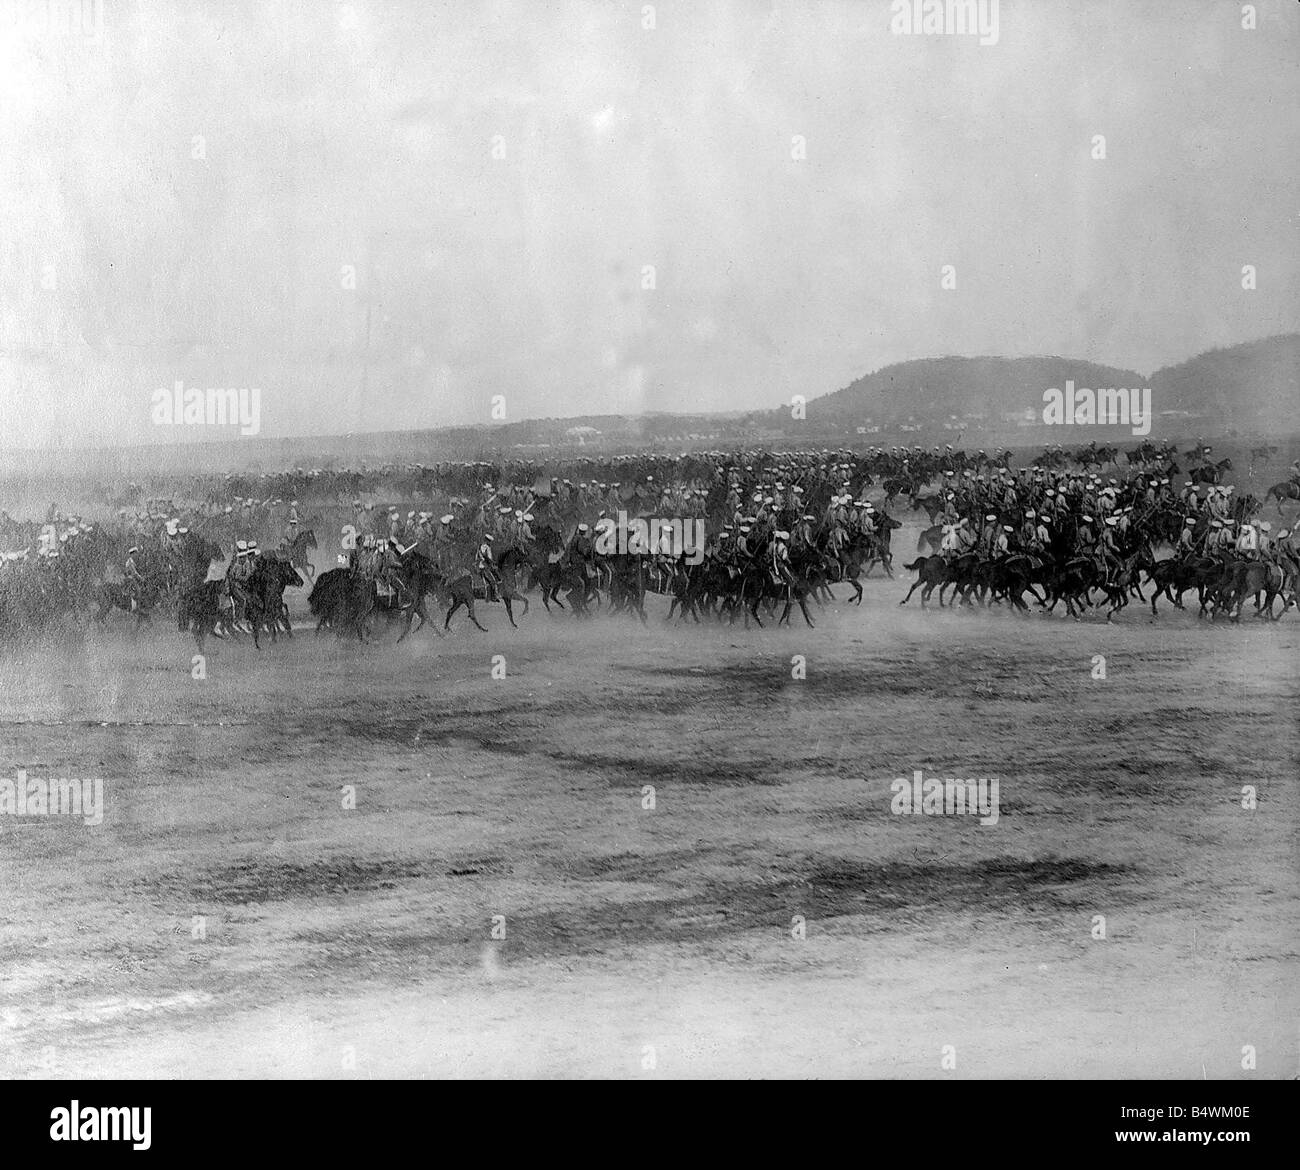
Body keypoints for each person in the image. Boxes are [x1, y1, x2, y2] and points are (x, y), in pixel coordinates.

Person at [477, 533, 500, 601]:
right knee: (492, 581)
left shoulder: (482, 546)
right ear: (487, 540)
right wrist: (492, 563)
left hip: (484, 565)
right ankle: (493, 597)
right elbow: (486, 557)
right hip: (484, 566)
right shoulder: (485, 547)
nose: (490, 542)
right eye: (489, 541)